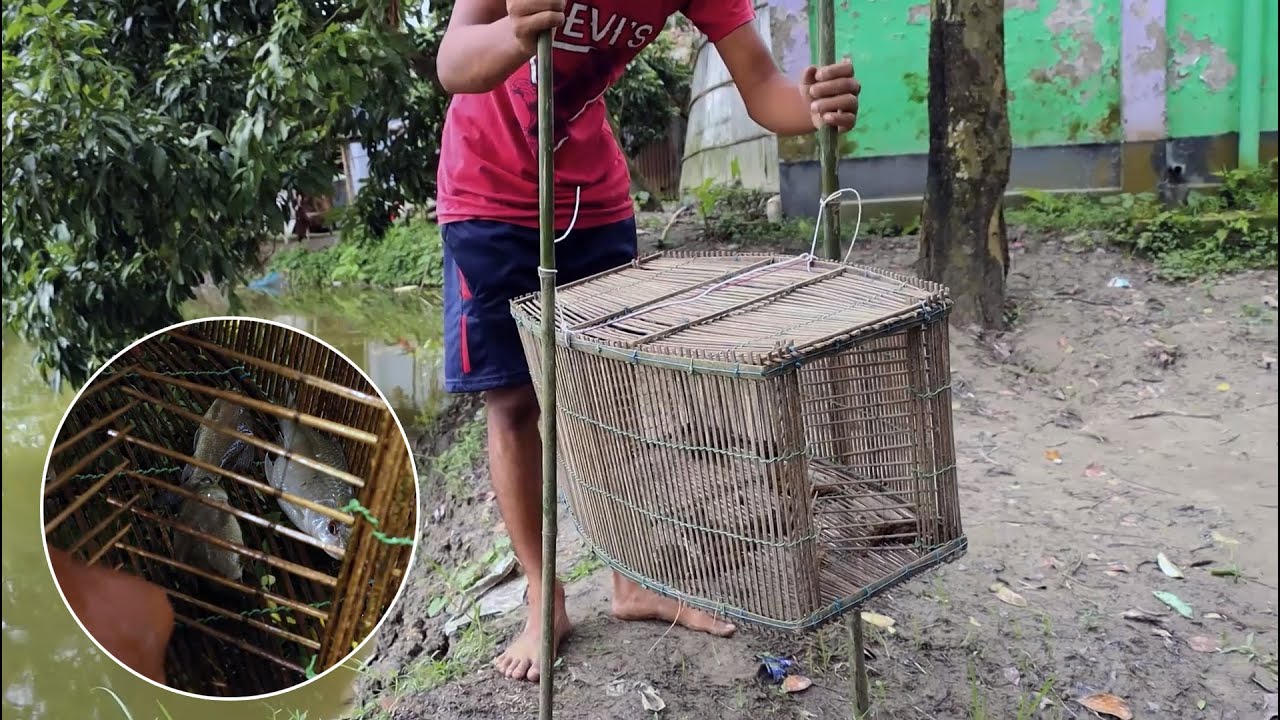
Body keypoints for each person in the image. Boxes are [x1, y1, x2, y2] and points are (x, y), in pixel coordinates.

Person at [434, 0, 861, 682]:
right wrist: (518, 33)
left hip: (594, 199)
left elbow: (762, 87)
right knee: (513, 403)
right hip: (490, 195)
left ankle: (631, 582)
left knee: (610, 398)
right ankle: (545, 598)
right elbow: (454, 63)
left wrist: (809, 103)